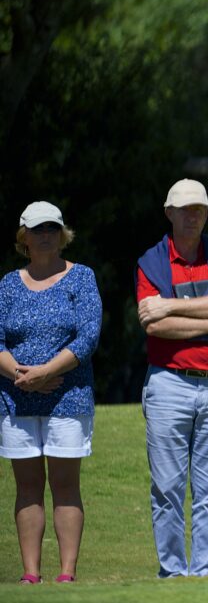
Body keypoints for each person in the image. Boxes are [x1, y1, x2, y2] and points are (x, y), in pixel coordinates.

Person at [136, 179, 208, 578]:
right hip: (168, 383)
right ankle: (172, 573)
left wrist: (171, 308)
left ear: (207, 213)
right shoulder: (151, 262)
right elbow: (153, 326)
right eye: (185, 208)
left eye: (199, 208)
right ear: (169, 213)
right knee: (167, 489)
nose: (192, 215)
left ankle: (205, 571)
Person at [0, 202, 101, 584]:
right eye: (38, 229)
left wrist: (45, 372)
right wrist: (22, 377)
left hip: (68, 397)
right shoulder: (8, 285)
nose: (45, 235)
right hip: (15, 398)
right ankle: (30, 573)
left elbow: (88, 336)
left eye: (52, 228)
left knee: (64, 485)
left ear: (62, 234)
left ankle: (67, 573)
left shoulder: (82, 278)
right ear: (24, 237)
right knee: (26, 487)